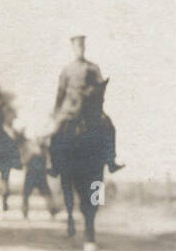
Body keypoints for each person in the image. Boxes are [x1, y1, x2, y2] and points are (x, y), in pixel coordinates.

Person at [49, 34, 123, 175]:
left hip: (89, 109)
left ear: (85, 47)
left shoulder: (94, 68)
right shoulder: (67, 69)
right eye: (77, 46)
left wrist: (92, 92)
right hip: (70, 110)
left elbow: (100, 86)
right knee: (55, 133)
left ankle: (111, 161)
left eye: (82, 46)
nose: (80, 49)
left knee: (109, 126)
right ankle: (55, 166)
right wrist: (57, 111)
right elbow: (61, 91)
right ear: (73, 48)